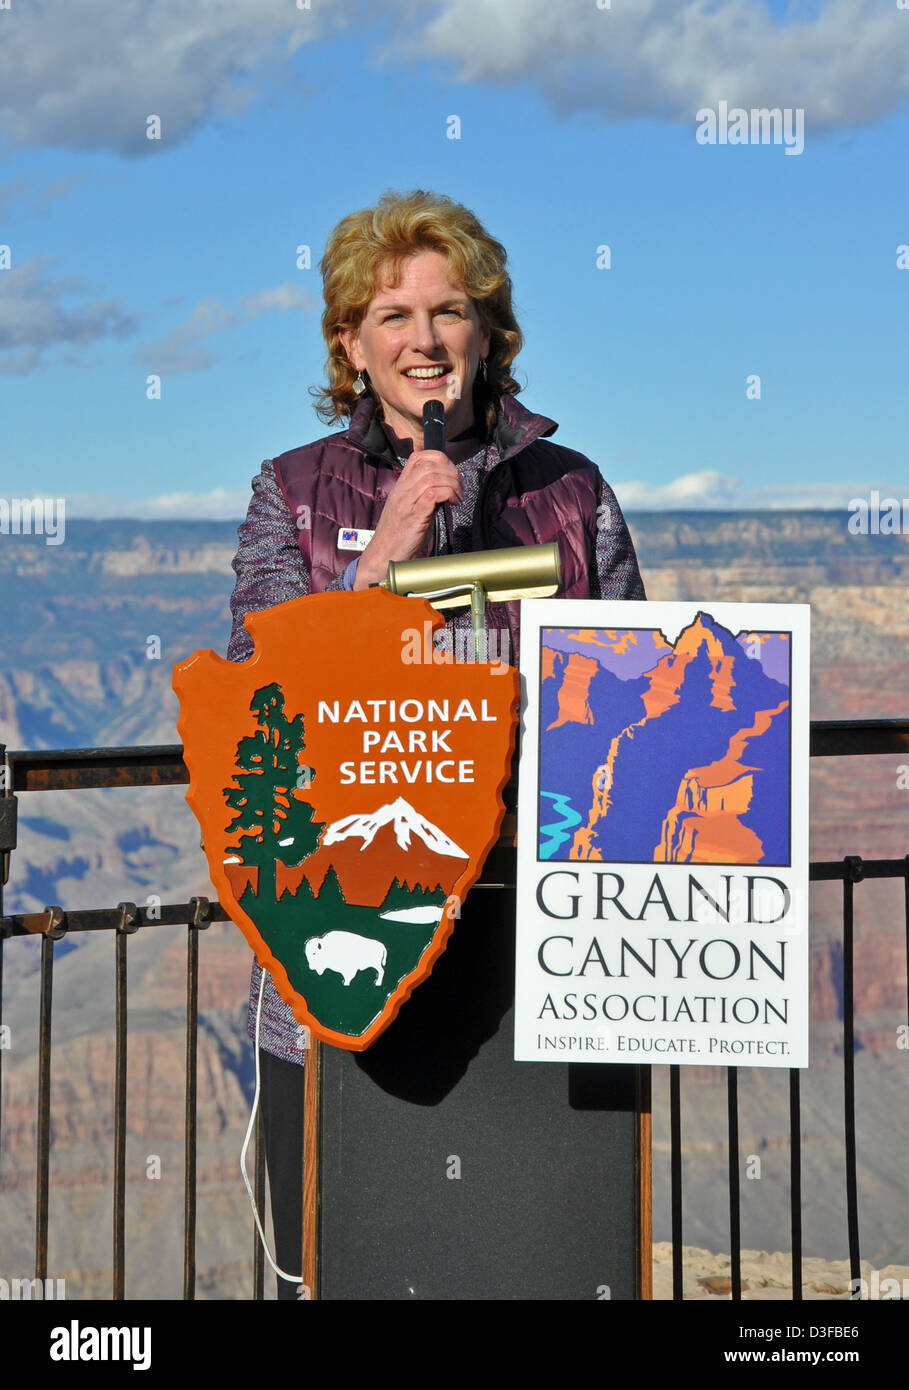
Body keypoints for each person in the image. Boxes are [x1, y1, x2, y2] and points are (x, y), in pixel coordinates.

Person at [225, 188, 646, 1297]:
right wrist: (383, 562)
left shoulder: (572, 491)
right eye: (393, 316)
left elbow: (635, 706)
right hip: (350, 948)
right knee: (347, 1260)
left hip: (543, 954)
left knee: (540, 1256)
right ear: (349, 346)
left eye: (449, 311)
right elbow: (259, 712)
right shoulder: (293, 495)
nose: (424, 339)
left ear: (489, 333)